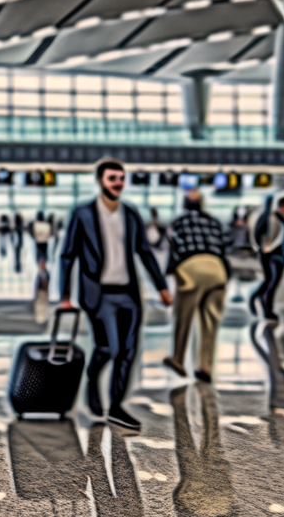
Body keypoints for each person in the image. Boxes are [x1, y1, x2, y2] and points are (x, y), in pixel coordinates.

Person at [58, 158, 172, 430]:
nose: (118, 183)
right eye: (112, 179)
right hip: (98, 294)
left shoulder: (130, 213)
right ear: (100, 181)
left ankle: (117, 406)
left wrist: (161, 286)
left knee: (128, 351)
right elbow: (67, 255)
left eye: (121, 178)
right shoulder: (83, 214)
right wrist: (65, 295)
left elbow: (144, 251)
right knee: (110, 348)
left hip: (128, 293)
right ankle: (92, 379)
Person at [163, 190, 230, 383]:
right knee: (210, 321)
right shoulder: (215, 221)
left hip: (190, 267)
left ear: (184, 204)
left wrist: (171, 271)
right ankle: (205, 367)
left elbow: (173, 246)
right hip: (217, 268)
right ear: (202, 204)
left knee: (183, 315)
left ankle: (178, 359)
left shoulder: (178, 221)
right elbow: (225, 246)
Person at [250, 195, 284, 321]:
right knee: (272, 282)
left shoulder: (275, 218)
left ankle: (257, 299)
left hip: (271, 255)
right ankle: (266, 307)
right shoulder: (276, 219)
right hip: (275, 256)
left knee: (269, 281)